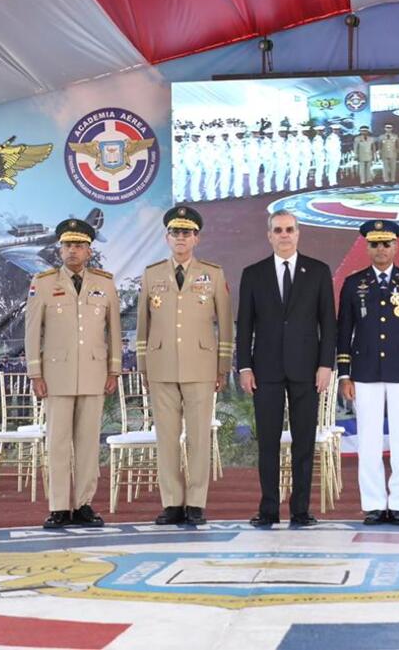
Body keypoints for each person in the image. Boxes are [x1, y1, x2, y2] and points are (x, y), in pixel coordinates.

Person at [235, 210, 335, 526]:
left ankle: (301, 510)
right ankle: (268, 509)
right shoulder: (253, 274)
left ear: (298, 233)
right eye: (278, 230)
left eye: (289, 229)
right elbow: (244, 326)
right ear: (269, 235)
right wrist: (244, 367)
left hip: (307, 370)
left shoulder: (318, 271)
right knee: (268, 442)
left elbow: (328, 323)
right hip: (265, 371)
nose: (284, 235)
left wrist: (326, 364)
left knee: (304, 442)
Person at [135, 206, 232, 526]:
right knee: (166, 438)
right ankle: (172, 502)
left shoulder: (213, 274)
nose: (181, 238)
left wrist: (222, 366)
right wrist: (143, 366)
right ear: (167, 238)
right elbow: (143, 325)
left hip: (201, 367)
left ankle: (196, 502)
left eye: (186, 233)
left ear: (196, 239)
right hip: (161, 365)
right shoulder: (151, 274)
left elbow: (225, 324)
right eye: (175, 232)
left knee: (198, 438)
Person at [336, 220, 399, 525]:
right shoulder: (354, 283)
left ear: (396, 246)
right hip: (365, 370)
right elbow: (344, 331)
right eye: (375, 244)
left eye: (386, 244)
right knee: (369, 440)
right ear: (367, 247)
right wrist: (344, 374)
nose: (380, 249)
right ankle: (375, 504)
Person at [27, 218, 121, 529]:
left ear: (89, 250)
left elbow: (114, 331)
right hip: (57, 375)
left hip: (94, 373)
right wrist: (35, 373)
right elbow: (32, 332)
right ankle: (58, 507)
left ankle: (83, 504)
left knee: (88, 444)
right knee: (57, 443)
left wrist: (114, 369)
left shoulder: (105, 283)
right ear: (60, 249)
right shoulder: (43, 283)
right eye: (68, 245)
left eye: (79, 245)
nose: (73, 250)